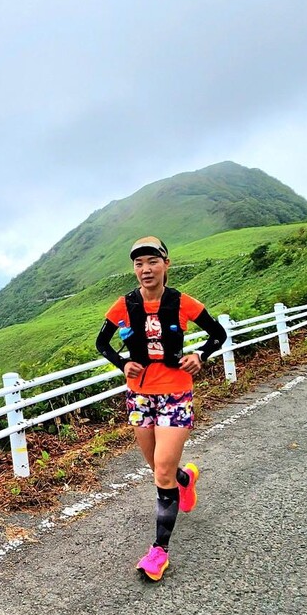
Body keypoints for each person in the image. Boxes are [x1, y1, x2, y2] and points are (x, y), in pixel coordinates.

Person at [95, 236, 227, 581]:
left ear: (166, 264)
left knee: (161, 474)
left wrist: (200, 355)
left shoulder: (182, 302)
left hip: (175, 394)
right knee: (158, 467)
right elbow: (101, 343)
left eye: (152, 261)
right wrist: (123, 364)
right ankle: (186, 479)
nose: (145, 269)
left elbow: (218, 334)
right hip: (140, 397)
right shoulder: (124, 305)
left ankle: (159, 551)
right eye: (139, 263)